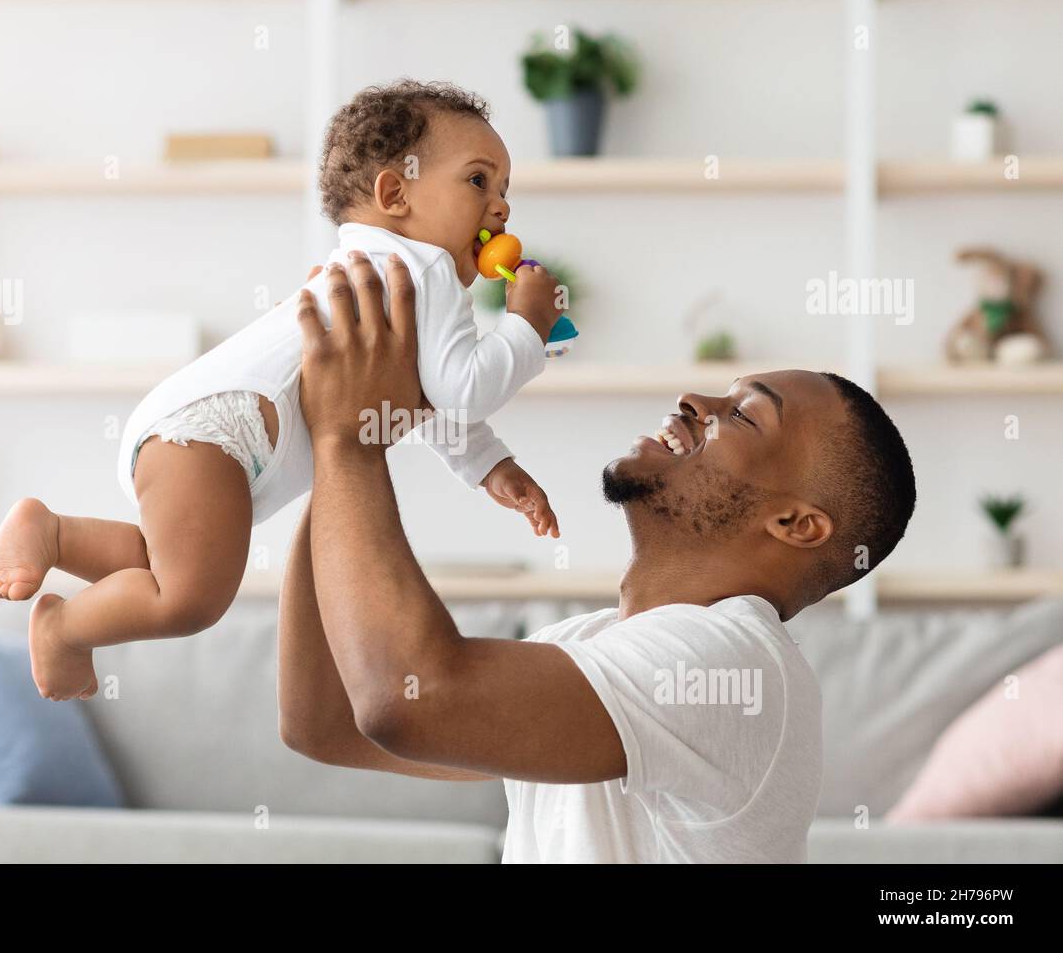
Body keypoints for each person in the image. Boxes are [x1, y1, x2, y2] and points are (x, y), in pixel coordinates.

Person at [279, 255, 917, 863]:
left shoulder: (736, 663)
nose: (697, 400)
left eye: (745, 418)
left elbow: (408, 700)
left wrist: (346, 440)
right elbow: (329, 722)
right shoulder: (589, 645)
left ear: (796, 524)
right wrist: (352, 432)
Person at [0, 80, 566, 700]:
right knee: (190, 601)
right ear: (395, 192)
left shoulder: (388, 271)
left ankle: (57, 535)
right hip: (219, 435)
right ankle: (64, 627)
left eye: (504, 192)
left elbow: (429, 393)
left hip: (196, 429)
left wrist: (489, 464)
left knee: (163, 568)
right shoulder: (425, 270)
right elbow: (463, 389)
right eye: (479, 181)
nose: (499, 209)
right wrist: (526, 326)